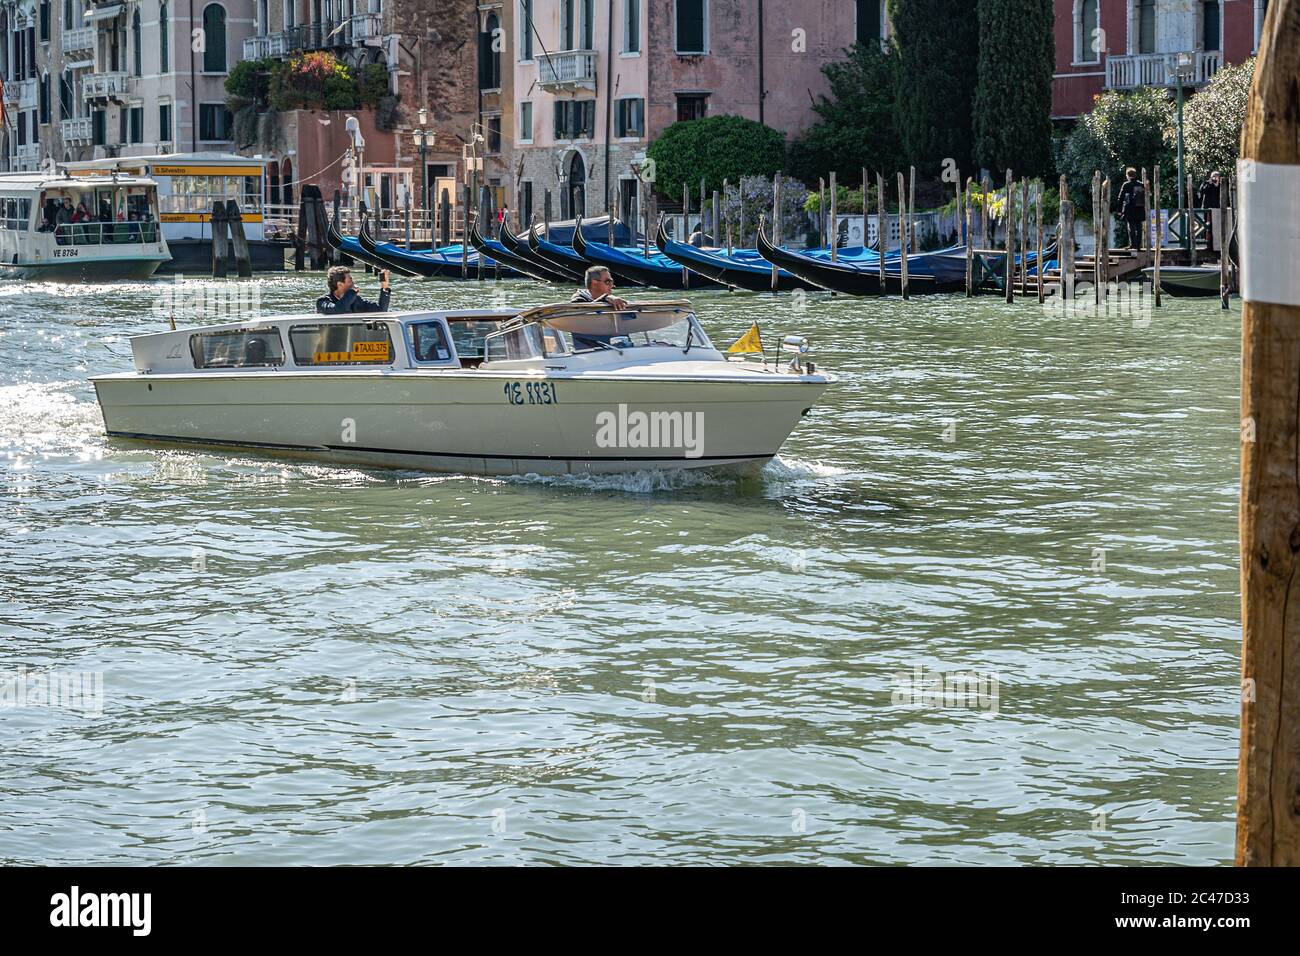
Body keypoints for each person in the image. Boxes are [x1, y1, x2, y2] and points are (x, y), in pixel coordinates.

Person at [316, 266, 392, 314]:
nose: (353, 283)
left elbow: (381, 310)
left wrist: (384, 287)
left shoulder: (356, 301)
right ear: (340, 284)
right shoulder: (322, 302)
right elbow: (338, 309)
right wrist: (352, 291)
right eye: (350, 281)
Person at [1116, 167, 1147, 250]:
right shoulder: (1141, 184)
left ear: (1127, 175)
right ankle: (1138, 245)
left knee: (1131, 227)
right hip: (1139, 208)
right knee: (1139, 227)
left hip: (1130, 209)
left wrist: (1119, 210)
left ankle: (1133, 244)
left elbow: (1121, 197)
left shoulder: (1126, 184)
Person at [1198, 171, 1222, 251]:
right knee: (1206, 225)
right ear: (1210, 177)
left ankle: (1216, 243)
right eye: (1213, 177)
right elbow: (1201, 192)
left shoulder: (1221, 184)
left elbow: (1222, 193)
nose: (1214, 178)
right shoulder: (1206, 183)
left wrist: (1217, 185)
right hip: (1207, 207)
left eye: (1216, 177)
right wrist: (1210, 184)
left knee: (1216, 225)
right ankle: (1207, 243)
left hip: (1216, 208)